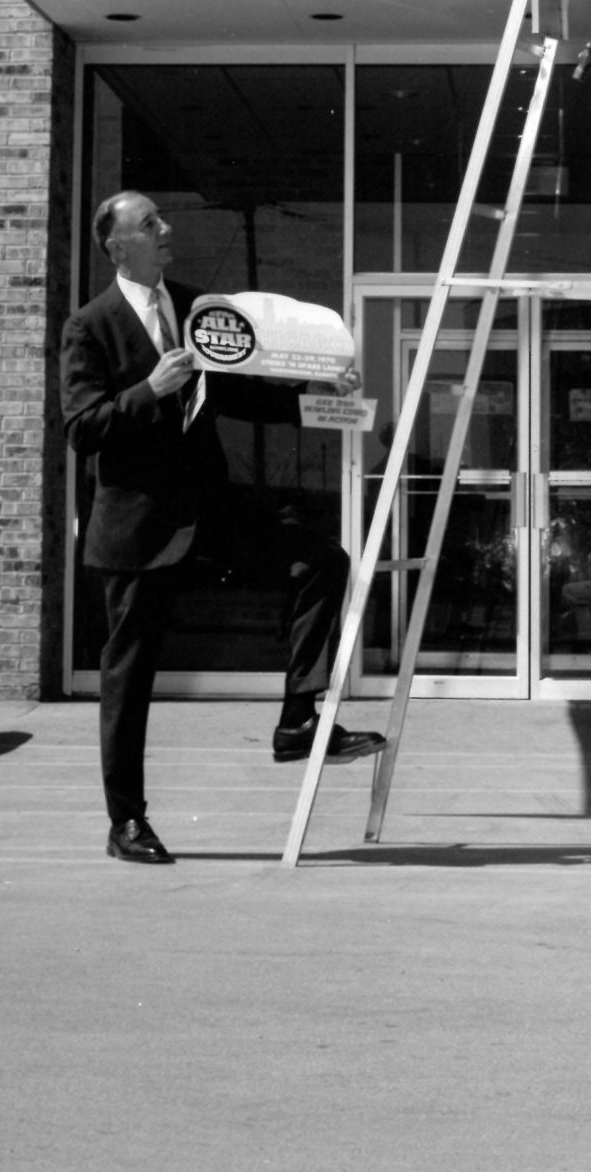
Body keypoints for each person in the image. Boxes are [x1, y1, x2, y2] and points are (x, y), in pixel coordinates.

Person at [60, 190, 381, 864]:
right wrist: (150, 390)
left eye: (160, 219)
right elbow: (83, 428)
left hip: (210, 512)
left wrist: (319, 397)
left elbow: (239, 392)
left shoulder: (196, 307)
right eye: (149, 224)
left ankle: (297, 719)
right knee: (129, 681)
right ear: (118, 245)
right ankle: (126, 824)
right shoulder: (91, 326)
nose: (165, 228)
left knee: (320, 562)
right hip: (139, 528)